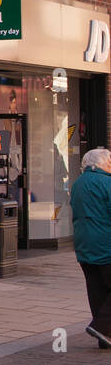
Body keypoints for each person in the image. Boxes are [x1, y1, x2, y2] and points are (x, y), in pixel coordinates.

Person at [71, 147, 111, 349]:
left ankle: (104, 336)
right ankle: (101, 327)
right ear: (102, 163)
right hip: (106, 244)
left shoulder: (78, 184)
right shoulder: (107, 182)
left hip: (83, 243)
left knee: (97, 290)